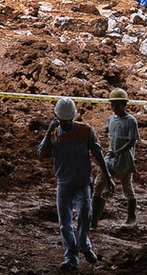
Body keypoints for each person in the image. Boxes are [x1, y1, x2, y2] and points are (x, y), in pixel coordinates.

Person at [38, 97, 114, 272]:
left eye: (68, 120)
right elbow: (41, 154)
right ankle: (71, 257)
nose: (65, 123)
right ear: (57, 118)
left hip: (82, 182)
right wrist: (48, 131)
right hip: (63, 183)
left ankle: (84, 246)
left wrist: (108, 176)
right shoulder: (54, 134)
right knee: (64, 222)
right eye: (62, 120)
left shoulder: (86, 131)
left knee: (85, 216)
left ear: (73, 117)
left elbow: (97, 153)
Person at [92, 88, 141, 230]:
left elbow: (132, 141)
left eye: (117, 105)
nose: (114, 108)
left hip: (124, 159)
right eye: (112, 105)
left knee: (127, 188)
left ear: (124, 104)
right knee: (98, 184)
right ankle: (93, 219)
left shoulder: (131, 121)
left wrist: (118, 152)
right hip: (110, 157)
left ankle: (131, 217)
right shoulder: (111, 119)